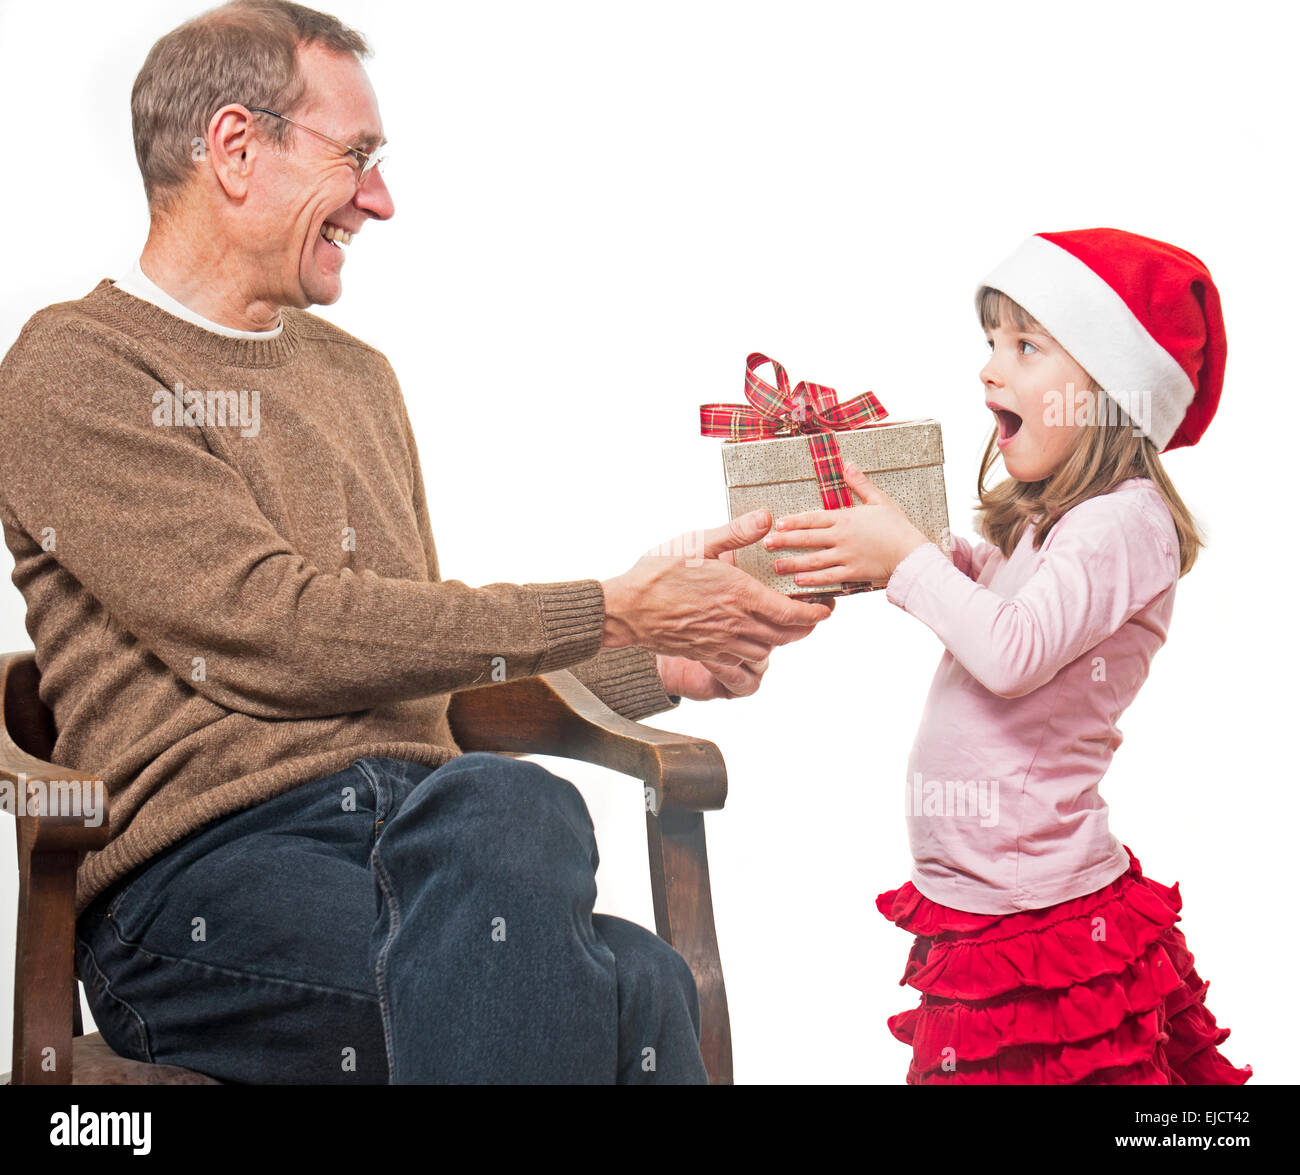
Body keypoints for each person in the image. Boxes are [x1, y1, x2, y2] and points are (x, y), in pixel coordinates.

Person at [0, 0, 832, 1084]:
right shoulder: (77, 369)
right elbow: (274, 629)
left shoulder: (354, 376)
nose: (380, 200)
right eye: (356, 158)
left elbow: (408, 667)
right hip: (206, 885)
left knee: (534, 845)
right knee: (623, 972)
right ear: (236, 149)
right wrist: (612, 602)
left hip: (438, 845)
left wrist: (650, 659)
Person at [764, 227, 1253, 1085]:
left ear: (1111, 394)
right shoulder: (1061, 519)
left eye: (1026, 345)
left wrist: (905, 562)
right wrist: (918, 545)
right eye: (992, 342)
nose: (992, 368)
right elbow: (1004, 605)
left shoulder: (1123, 523)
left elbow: (1013, 649)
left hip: (1039, 922)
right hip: (989, 907)